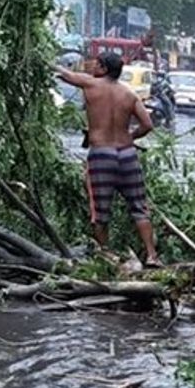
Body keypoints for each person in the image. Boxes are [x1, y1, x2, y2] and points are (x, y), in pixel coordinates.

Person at [56, 54, 161, 266]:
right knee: (139, 207)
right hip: (127, 154)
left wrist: (46, 61)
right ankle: (151, 255)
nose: (92, 66)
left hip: (102, 155)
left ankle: (105, 254)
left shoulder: (91, 84)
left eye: (96, 63)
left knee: (100, 210)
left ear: (103, 68)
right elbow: (147, 125)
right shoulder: (129, 94)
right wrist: (130, 137)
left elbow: (64, 74)